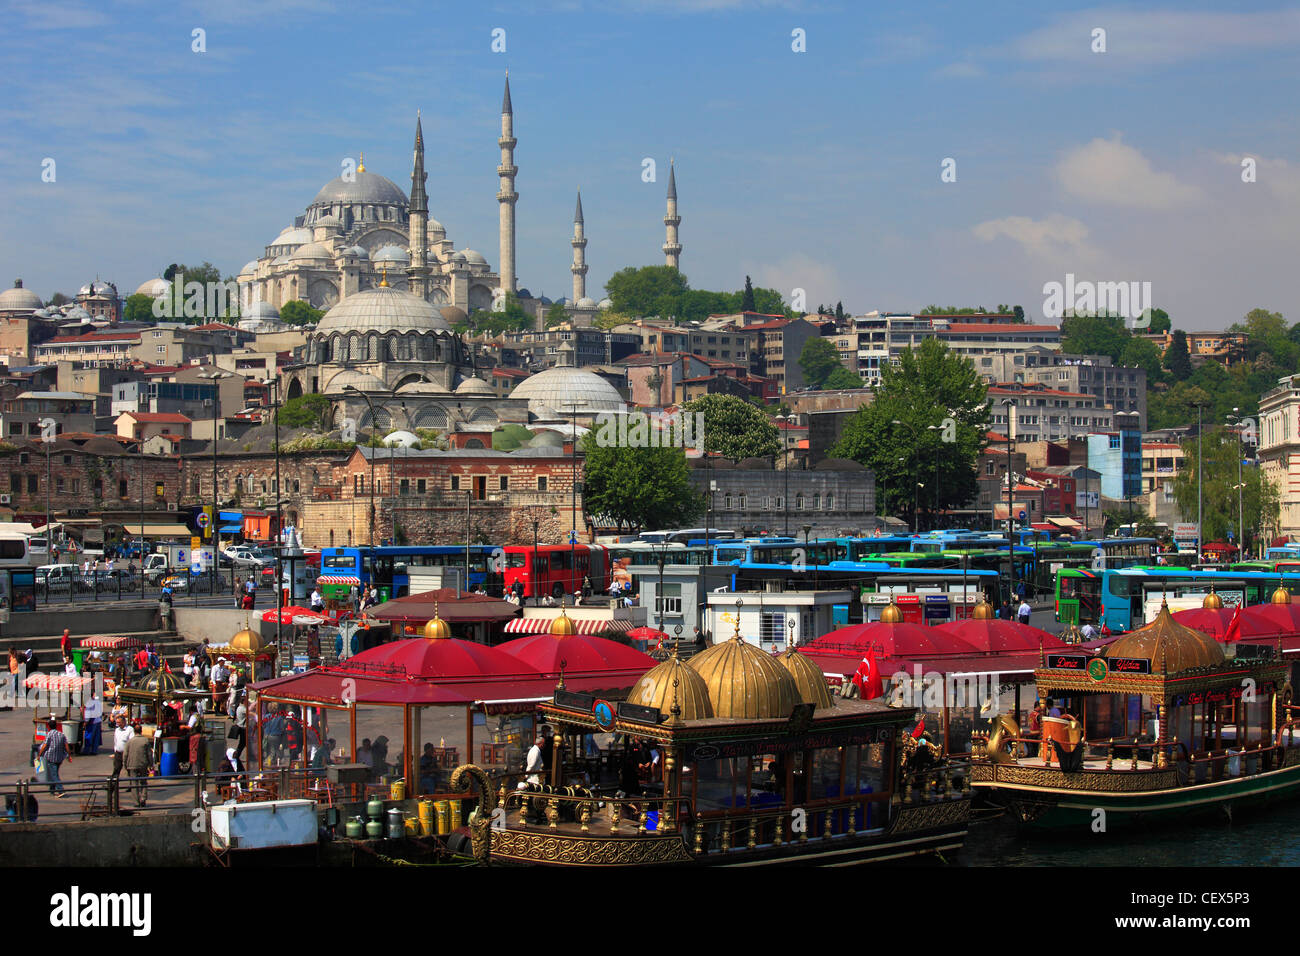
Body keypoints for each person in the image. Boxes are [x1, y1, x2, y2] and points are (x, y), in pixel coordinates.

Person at [38, 720, 71, 796]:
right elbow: (66, 746)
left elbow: (45, 745)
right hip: (59, 758)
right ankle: (52, 790)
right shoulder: (61, 734)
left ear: (49, 727)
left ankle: (61, 790)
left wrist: (39, 754)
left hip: (51, 757)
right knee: (54, 773)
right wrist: (69, 755)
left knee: (54, 774)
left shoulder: (49, 734)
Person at [124, 723, 152, 807]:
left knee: (134, 783)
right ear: (141, 731)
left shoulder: (130, 741)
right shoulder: (145, 741)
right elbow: (149, 754)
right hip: (143, 764)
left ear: (134, 731)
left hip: (132, 764)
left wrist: (125, 765)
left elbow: (125, 754)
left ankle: (136, 802)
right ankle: (143, 798)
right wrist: (151, 764)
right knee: (143, 782)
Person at [111, 713, 133, 780]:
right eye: (117, 722)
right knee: (116, 769)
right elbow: (115, 741)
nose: (118, 724)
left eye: (119, 722)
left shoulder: (130, 729)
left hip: (126, 753)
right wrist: (115, 750)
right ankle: (112, 786)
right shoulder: (117, 730)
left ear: (124, 722)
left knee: (129, 770)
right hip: (118, 753)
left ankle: (132, 786)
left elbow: (131, 741)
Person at [82, 691, 103, 756]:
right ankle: (94, 750)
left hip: (92, 721)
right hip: (98, 720)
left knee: (89, 736)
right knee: (96, 737)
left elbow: (88, 714)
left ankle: (86, 750)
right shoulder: (98, 702)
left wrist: (85, 722)